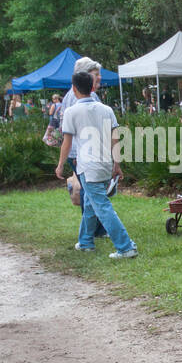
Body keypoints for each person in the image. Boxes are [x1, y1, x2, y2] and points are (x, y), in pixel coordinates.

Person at [57, 71, 136, 258]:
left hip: (88, 166)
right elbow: (115, 138)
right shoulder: (106, 109)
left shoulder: (71, 112)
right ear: (92, 87)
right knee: (90, 203)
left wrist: (60, 165)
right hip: (105, 164)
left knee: (101, 206)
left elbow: (66, 142)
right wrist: (117, 164)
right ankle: (85, 241)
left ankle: (125, 247)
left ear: (74, 89)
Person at [61, 58, 109, 240]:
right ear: (85, 75)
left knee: (91, 194)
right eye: (96, 75)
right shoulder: (78, 97)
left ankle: (94, 232)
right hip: (82, 153)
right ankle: (93, 232)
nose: (100, 79)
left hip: (86, 151)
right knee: (91, 194)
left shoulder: (81, 95)